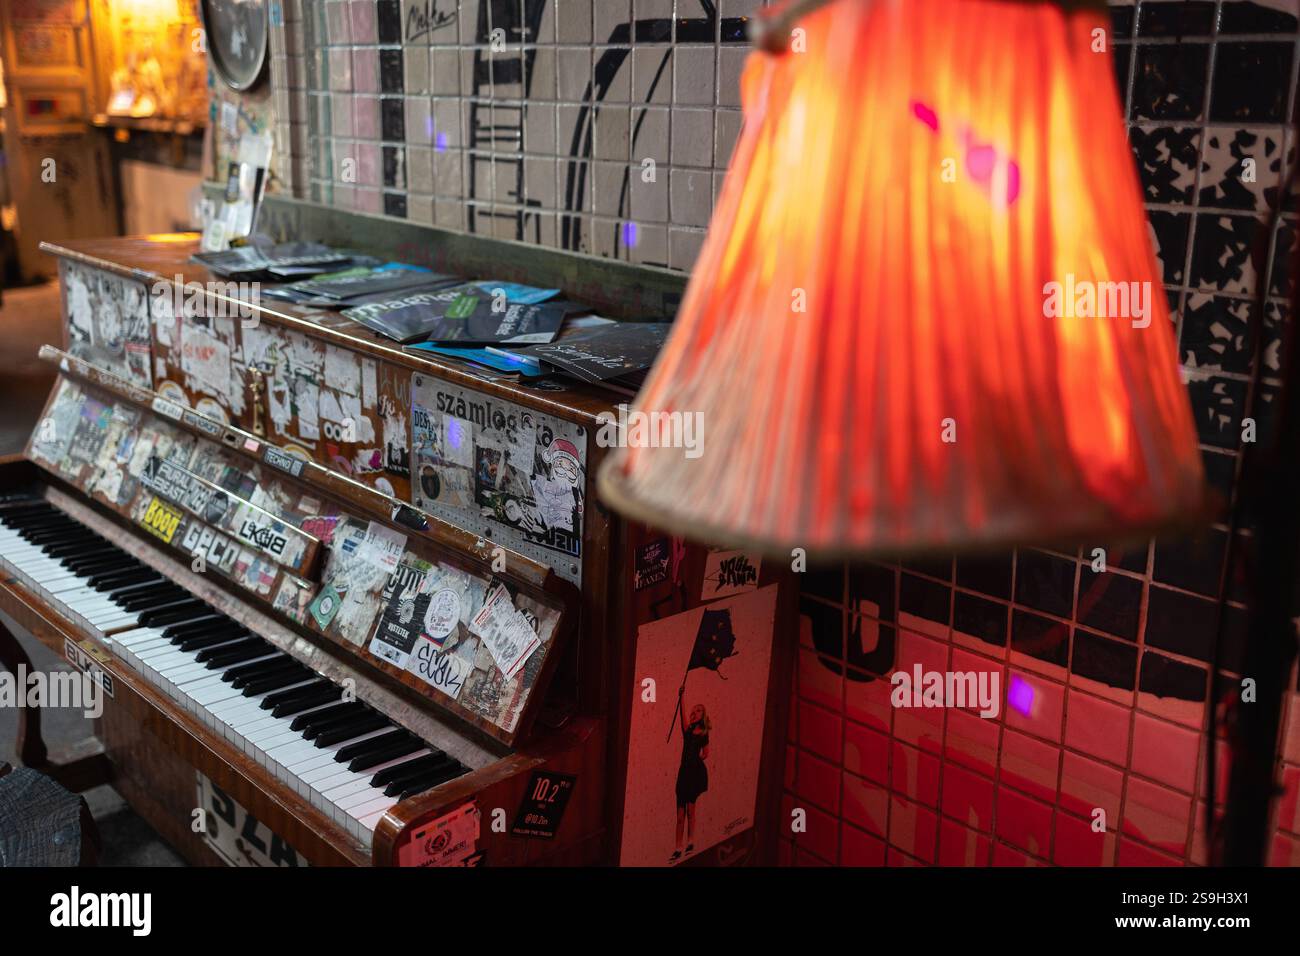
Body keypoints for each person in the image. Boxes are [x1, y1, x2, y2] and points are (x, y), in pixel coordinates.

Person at [671, 686, 710, 863]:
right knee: (680, 814)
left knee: (691, 811)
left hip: (693, 774)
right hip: (683, 773)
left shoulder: (703, 734)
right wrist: (682, 698)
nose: (695, 712)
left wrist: (700, 759)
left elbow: (706, 753)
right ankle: (678, 847)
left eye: (698, 710)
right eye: (694, 710)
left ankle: (691, 842)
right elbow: (683, 717)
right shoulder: (687, 731)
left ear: (703, 715)